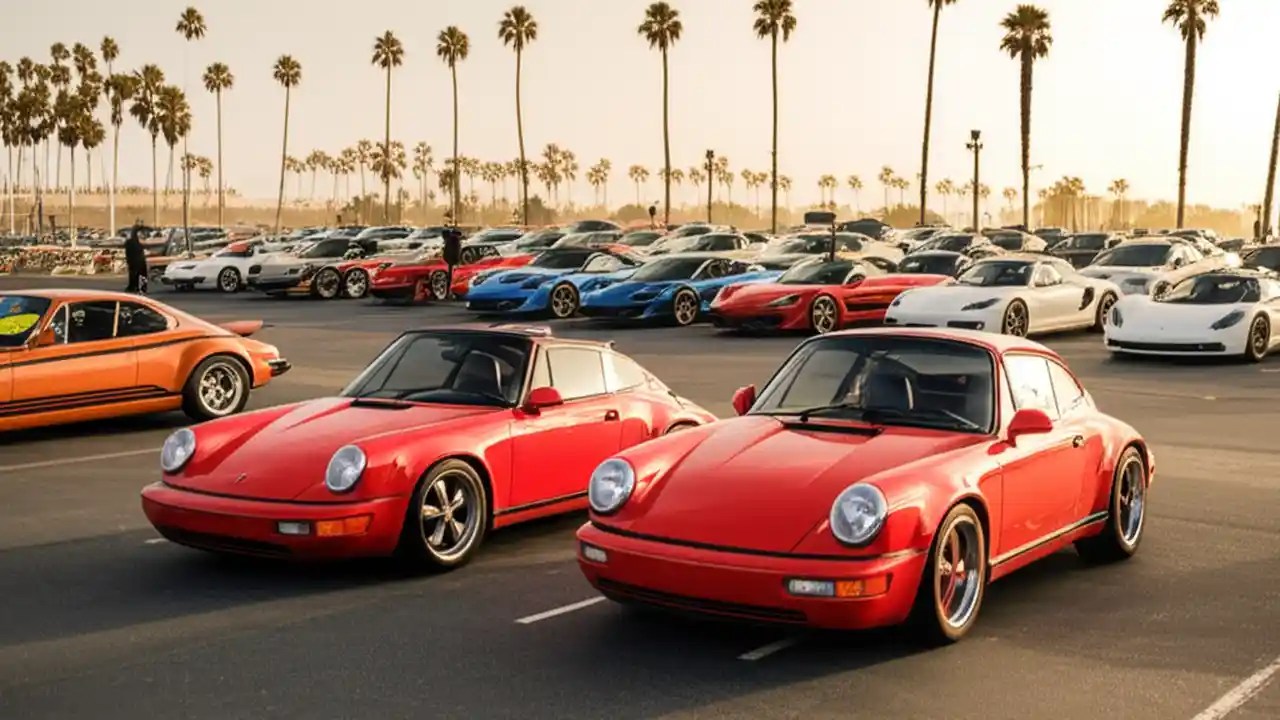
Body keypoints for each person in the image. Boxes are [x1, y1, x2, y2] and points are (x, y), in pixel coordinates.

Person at [124, 223, 148, 293]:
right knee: (140, 275)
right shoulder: (135, 242)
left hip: (134, 261)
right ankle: (141, 288)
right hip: (138, 261)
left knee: (134, 275)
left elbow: (127, 253)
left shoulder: (130, 242)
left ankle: (135, 287)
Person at [441, 225, 463, 298]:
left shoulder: (449, 240)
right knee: (452, 278)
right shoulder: (455, 240)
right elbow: (456, 252)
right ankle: (451, 293)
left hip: (448, 261)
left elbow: (446, 252)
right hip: (452, 261)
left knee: (449, 278)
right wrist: (457, 260)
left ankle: (448, 293)